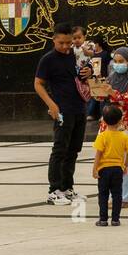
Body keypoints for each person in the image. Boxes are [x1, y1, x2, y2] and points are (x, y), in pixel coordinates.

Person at [34, 23, 92, 205]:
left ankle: (67, 188)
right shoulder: (48, 59)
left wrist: (88, 72)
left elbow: (81, 76)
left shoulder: (74, 56)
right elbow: (38, 84)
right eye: (62, 43)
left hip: (79, 107)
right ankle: (54, 191)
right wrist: (51, 104)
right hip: (62, 109)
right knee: (60, 149)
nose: (66, 46)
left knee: (73, 150)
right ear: (54, 40)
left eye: (68, 42)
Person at [98, 46, 128, 206]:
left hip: (126, 124)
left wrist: (112, 93)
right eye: (115, 61)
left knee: (125, 160)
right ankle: (112, 194)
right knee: (108, 158)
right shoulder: (112, 77)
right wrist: (100, 92)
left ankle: (124, 197)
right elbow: (104, 97)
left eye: (121, 61)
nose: (118, 64)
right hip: (109, 122)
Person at [93, 103, 128, 226]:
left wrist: (95, 168)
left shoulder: (102, 136)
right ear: (120, 121)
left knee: (103, 194)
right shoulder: (123, 136)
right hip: (117, 169)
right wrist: (125, 165)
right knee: (117, 194)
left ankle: (103, 219)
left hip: (104, 170)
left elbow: (98, 154)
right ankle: (115, 219)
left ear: (103, 121)